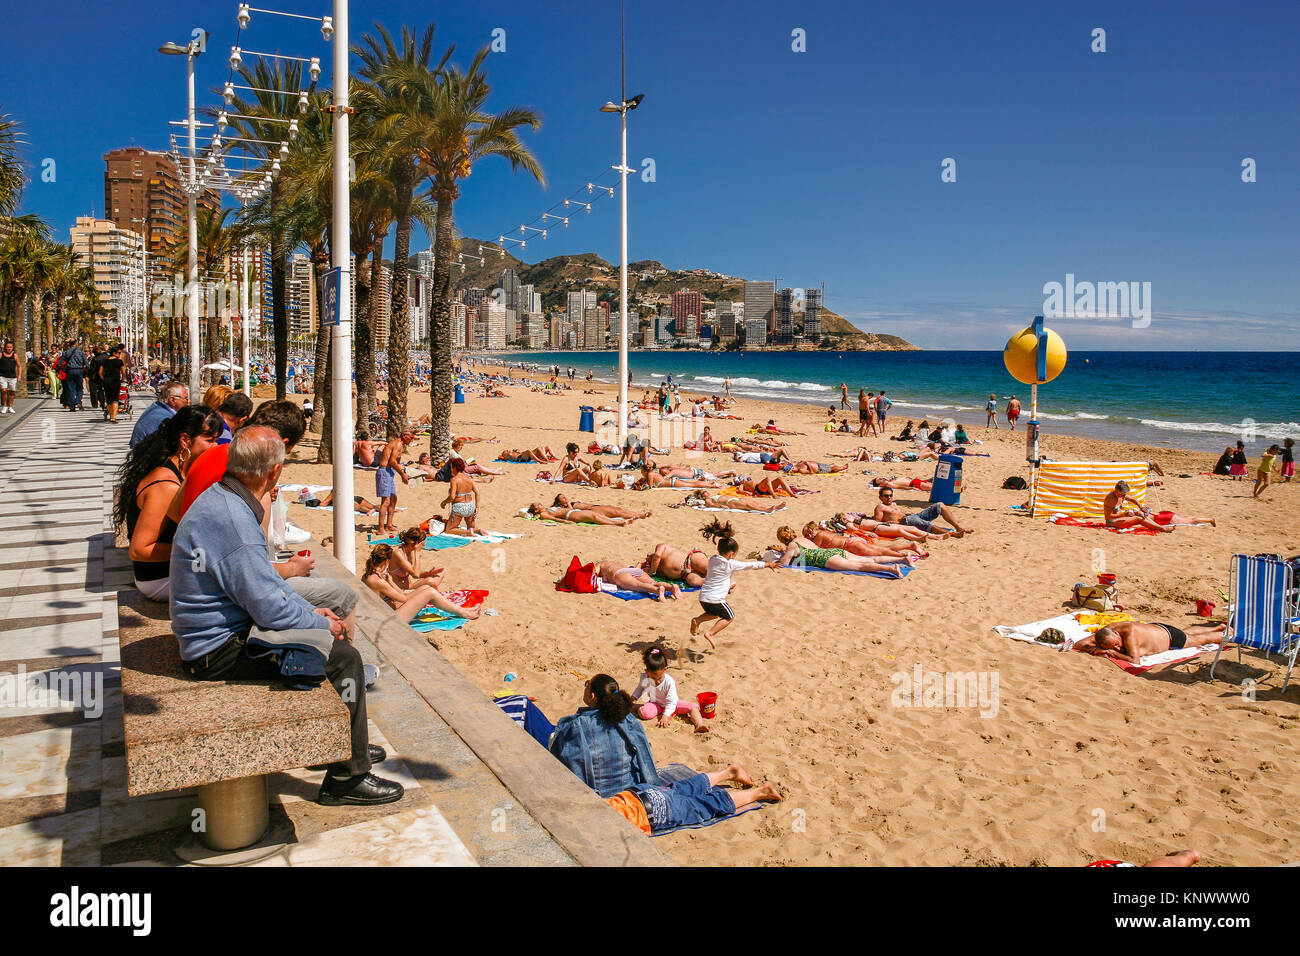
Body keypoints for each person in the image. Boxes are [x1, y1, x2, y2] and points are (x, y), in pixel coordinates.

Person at [168, 426, 402, 807]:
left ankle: (343, 746)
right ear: (274, 472)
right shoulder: (233, 520)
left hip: (225, 630)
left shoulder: (225, 499)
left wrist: (309, 612)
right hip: (215, 650)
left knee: (326, 638)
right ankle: (346, 778)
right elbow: (267, 607)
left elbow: (261, 590)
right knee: (342, 658)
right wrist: (321, 624)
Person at [115, 406, 223, 600]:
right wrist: (200, 553)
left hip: (174, 570)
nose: (215, 446)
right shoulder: (165, 485)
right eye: (210, 440)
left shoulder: (179, 470)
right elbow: (140, 549)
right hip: (159, 579)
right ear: (185, 440)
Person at [549, 674, 661, 798]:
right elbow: (646, 763)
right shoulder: (629, 720)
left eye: (587, 685)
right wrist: (655, 792)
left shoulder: (578, 726)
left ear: (592, 696)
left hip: (599, 797)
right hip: (629, 793)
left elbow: (572, 765)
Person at [605, 763, 781, 835]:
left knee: (701, 806)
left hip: (652, 811)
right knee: (680, 789)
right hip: (634, 794)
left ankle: (760, 792)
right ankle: (727, 773)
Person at [689, 519, 777, 648]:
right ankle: (711, 633)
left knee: (714, 613)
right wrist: (768, 564)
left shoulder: (713, 559)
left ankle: (698, 620)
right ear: (731, 554)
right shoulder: (730, 563)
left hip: (704, 597)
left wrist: (729, 585)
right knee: (729, 617)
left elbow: (720, 577)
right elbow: (750, 565)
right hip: (715, 599)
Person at [361, 543, 479, 623]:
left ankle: (463, 610)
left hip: (385, 611)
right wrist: (390, 582)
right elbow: (402, 598)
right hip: (390, 620)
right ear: (386, 561)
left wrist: (390, 582)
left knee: (427, 588)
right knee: (430, 593)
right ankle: (464, 613)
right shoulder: (378, 581)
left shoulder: (367, 575)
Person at [631, 646, 708, 733]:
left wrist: (665, 716)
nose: (657, 681)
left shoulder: (669, 681)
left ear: (665, 669)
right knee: (644, 713)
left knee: (693, 707)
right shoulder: (644, 677)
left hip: (673, 705)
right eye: (653, 678)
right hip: (655, 703)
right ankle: (635, 706)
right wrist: (633, 697)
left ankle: (699, 725)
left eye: (660, 678)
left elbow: (671, 701)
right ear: (646, 671)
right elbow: (640, 688)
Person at [774, 529, 913, 577]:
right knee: (870, 559)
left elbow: (784, 564)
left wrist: (780, 556)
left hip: (824, 558)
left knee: (858, 567)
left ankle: (891, 568)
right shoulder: (803, 539)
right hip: (834, 551)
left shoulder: (792, 545)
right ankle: (902, 560)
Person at [1073, 620, 1226, 662]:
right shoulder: (1110, 630)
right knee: (1187, 633)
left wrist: (1110, 652)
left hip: (1171, 639)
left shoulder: (1130, 635)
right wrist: (1091, 648)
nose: (1119, 647)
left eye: (1117, 644)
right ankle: (1217, 627)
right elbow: (1078, 644)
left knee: (1202, 640)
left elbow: (1135, 660)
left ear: (1115, 634)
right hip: (1159, 628)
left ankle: (1227, 634)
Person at [873, 486, 972, 536]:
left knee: (940, 505)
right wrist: (892, 523)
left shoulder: (894, 504)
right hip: (906, 522)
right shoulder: (880, 507)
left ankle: (958, 528)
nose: (889, 498)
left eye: (891, 495)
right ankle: (952, 534)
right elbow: (876, 524)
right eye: (886, 496)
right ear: (880, 497)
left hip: (913, 516)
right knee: (927, 525)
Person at [131, 381, 190, 447]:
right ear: (172, 400)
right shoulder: (165, 419)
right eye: (186, 398)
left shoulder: (156, 407)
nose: (189, 401)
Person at [375, 431, 413, 533]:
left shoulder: (401, 446)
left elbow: (397, 463)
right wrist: (402, 475)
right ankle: (381, 529)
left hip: (390, 472)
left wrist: (405, 472)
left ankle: (389, 525)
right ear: (404, 436)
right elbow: (392, 461)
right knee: (386, 501)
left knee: (393, 499)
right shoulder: (397, 444)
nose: (412, 440)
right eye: (411, 438)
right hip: (384, 472)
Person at [1102, 481, 1174, 533]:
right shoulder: (1110, 499)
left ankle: (1158, 526)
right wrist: (1124, 514)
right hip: (1112, 522)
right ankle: (1162, 529)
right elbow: (1108, 517)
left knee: (1140, 513)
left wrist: (1140, 507)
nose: (1123, 496)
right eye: (1122, 494)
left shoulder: (1120, 495)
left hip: (1120, 518)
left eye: (1124, 494)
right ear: (1116, 489)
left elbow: (1132, 499)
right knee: (1138, 519)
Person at [595, 560, 681, 602]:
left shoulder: (600, 564)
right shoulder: (616, 562)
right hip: (632, 570)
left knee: (638, 585)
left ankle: (657, 590)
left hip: (619, 574)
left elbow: (594, 574)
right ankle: (671, 587)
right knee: (653, 582)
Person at [441, 458, 484, 536]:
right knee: (471, 528)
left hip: (460, 507)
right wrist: (477, 507)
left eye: (451, 467)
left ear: (454, 468)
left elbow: (452, 496)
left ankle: (468, 532)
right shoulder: (469, 478)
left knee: (449, 529)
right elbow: (477, 492)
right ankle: (478, 530)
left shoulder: (454, 479)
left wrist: (444, 502)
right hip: (471, 505)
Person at [643, 542, 709, 588]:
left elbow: (657, 555)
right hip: (686, 574)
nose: (647, 559)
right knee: (695, 582)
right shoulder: (657, 568)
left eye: (648, 556)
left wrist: (652, 571)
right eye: (648, 562)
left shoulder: (661, 547)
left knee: (709, 569)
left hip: (690, 559)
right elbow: (640, 572)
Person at [552, 493, 650, 521]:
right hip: (593, 510)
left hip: (596, 506)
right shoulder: (566, 508)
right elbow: (573, 513)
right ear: (560, 503)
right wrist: (568, 504)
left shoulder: (572, 503)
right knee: (617, 513)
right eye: (563, 498)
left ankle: (638, 514)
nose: (566, 498)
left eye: (565, 496)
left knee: (619, 509)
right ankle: (640, 516)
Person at [526, 502, 636, 525]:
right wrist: (565, 521)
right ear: (536, 510)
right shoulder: (543, 514)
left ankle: (619, 521)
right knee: (594, 517)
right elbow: (554, 519)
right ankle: (618, 523)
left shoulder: (548, 508)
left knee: (598, 515)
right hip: (571, 515)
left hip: (574, 511)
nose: (541, 504)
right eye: (538, 505)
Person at [98, 345, 126, 423]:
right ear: (114, 353)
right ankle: (113, 417)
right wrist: (123, 379)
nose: (120, 354)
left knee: (109, 399)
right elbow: (123, 372)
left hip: (106, 381)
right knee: (115, 399)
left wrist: (104, 379)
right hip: (115, 381)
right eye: (119, 353)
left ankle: (111, 416)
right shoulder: (119, 361)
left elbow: (100, 373)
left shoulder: (104, 361)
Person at [60, 339, 87, 411]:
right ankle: (78, 400)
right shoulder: (80, 352)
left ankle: (72, 407)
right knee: (79, 388)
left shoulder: (66, 352)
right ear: (75, 343)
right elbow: (86, 362)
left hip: (70, 371)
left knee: (71, 389)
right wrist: (88, 369)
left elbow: (60, 362)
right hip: (79, 370)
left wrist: (59, 370)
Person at [0, 341, 19, 415]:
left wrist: (19, 375)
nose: (9, 348)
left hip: (12, 376)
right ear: (5, 347)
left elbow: (19, 366)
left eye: (10, 347)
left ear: (12, 348)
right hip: (2, 376)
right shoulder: (1, 354)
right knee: (4, 390)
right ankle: (4, 406)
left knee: (12, 391)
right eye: (8, 347)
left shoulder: (15, 355)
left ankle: (10, 407)